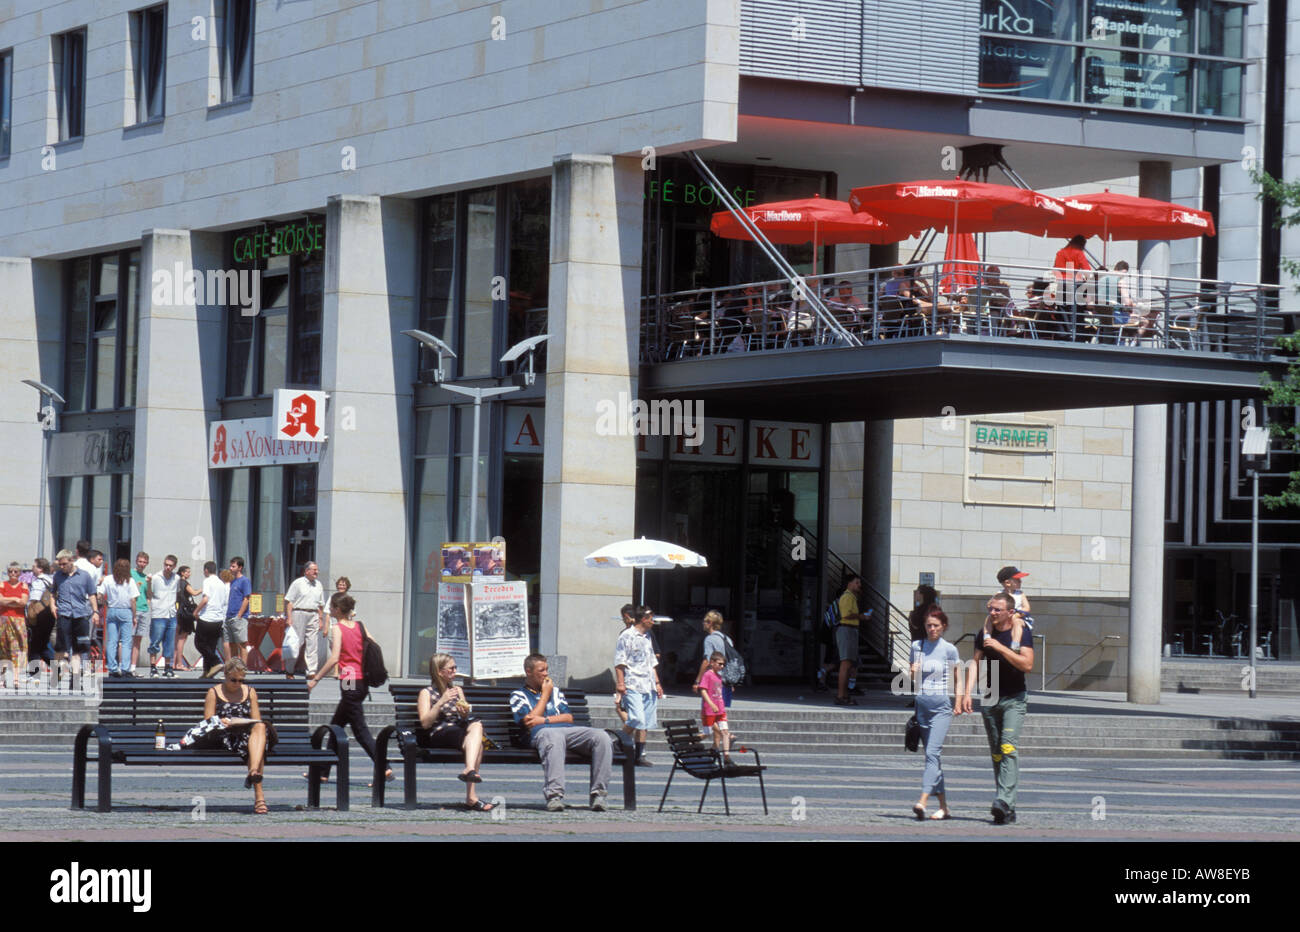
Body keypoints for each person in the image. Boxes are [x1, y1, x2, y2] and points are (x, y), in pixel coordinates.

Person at [962, 592, 1035, 825]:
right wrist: (966, 693)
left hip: (1014, 699)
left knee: (1008, 748)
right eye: (991, 609)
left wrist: (1000, 648)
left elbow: (1028, 665)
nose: (992, 613)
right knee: (996, 752)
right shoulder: (984, 633)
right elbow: (975, 663)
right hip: (990, 698)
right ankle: (1006, 806)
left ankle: (1003, 800)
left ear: (1010, 612)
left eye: (997, 610)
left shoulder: (1022, 632)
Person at [509, 653, 613, 812]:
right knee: (553, 736)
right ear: (528, 672)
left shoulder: (556, 693)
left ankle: (599, 795)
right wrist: (545, 695)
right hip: (540, 734)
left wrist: (544, 720)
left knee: (602, 736)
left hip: (564, 730)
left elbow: (568, 717)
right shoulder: (518, 695)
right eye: (541, 670)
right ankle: (554, 796)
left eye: (547, 669)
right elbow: (529, 722)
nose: (546, 674)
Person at [308, 593, 392, 783]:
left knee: (361, 731)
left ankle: (384, 767)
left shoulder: (338, 629)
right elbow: (374, 645)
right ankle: (323, 772)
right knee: (336, 726)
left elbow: (335, 657)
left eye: (331, 607)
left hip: (349, 679)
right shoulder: (360, 626)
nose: (330, 610)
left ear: (338, 609)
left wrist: (315, 679)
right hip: (362, 680)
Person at [190, 659, 271, 814]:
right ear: (225, 675)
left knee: (260, 728)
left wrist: (244, 723)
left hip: (247, 734)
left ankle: (253, 771)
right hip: (224, 735)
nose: (237, 684)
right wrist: (221, 721)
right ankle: (259, 796)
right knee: (255, 747)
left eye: (241, 680)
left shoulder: (250, 692)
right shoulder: (214, 692)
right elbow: (207, 722)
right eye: (233, 680)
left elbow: (257, 719)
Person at [416, 653, 494, 811]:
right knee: (477, 744)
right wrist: (441, 702)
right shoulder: (426, 692)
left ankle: (469, 770)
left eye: (455, 667)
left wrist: (464, 712)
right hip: (440, 732)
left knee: (477, 725)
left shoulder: (457, 690)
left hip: (458, 729)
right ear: (439, 671)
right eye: (451, 668)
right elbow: (425, 723)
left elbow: (464, 715)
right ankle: (471, 797)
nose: (455, 671)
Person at [910, 607, 961, 821]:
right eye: (929, 625)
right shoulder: (917, 646)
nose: (932, 629)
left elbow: (958, 678)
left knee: (932, 754)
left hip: (941, 708)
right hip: (922, 706)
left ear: (944, 627)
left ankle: (922, 800)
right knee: (933, 759)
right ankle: (944, 807)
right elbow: (914, 679)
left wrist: (958, 702)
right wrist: (913, 671)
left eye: (936, 626)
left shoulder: (949, 650)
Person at [614, 605, 663, 766]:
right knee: (637, 718)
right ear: (644, 619)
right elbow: (619, 661)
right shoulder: (626, 636)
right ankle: (617, 743)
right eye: (651, 619)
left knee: (646, 722)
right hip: (633, 683)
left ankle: (639, 755)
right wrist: (620, 683)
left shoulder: (647, 637)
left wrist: (657, 683)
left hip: (648, 684)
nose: (653, 622)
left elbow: (652, 662)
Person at [51, 549, 98, 680]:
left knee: (78, 647)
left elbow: (92, 594)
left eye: (64, 564)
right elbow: (53, 593)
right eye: (60, 564)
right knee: (61, 646)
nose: (61, 567)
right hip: (64, 613)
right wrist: (52, 605)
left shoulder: (84, 576)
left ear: (71, 561)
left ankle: (75, 676)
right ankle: (57, 673)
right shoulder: (58, 576)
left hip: (80, 614)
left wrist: (95, 611)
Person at [97, 559, 139, 678]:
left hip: (112, 609)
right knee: (126, 642)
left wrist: (106, 603)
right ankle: (125, 668)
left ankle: (113, 668)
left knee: (112, 641)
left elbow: (99, 595)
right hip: (126, 611)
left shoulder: (108, 579)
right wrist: (134, 616)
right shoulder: (130, 581)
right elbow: (133, 600)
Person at [285, 561, 327, 678]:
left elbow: (320, 604)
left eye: (317, 570)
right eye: (314, 570)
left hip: (313, 614)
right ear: (306, 571)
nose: (316, 572)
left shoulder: (318, 584)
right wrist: (289, 618)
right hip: (298, 613)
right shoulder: (297, 583)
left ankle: (311, 671)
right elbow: (289, 601)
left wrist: (320, 619)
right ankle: (289, 670)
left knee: (312, 644)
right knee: (296, 643)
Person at [1052, 234, 1094, 341]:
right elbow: (1087, 271)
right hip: (1075, 285)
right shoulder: (1079, 253)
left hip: (1062, 284)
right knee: (1077, 310)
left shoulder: (1060, 253)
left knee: (1063, 310)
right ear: (1082, 244)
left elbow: (1056, 270)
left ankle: (1063, 334)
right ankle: (1076, 334)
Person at [145, 555, 180, 677]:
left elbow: (177, 594)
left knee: (169, 642)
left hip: (171, 614)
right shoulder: (156, 577)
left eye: (170, 565)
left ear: (174, 566)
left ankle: (168, 667)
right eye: (166, 564)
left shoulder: (176, 578)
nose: (167, 567)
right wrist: (149, 584)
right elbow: (149, 594)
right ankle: (153, 667)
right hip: (158, 613)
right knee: (155, 641)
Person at [695, 610, 738, 707]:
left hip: (714, 681)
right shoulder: (727, 639)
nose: (703, 623)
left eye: (705, 621)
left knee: (710, 712)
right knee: (722, 714)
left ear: (710, 623)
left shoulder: (710, 639)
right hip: (726, 681)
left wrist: (697, 681)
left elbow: (706, 661)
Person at [192, 561, 228, 677]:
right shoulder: (222, 584)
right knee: (210, 646)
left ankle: (216, 662)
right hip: (218, 619)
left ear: (206, 570)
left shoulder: (207, 581)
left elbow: (205, 599)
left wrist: (196, 611)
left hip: (207, 617)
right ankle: (207, 671)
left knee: (199, 643)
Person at [697, 651, 733, 763]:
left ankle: (726, 756)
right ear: (712, 662)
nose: (722, 666)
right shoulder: (708, 674)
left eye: (723, 664)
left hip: (720, 709)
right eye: (720, 663)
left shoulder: (719, 676)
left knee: (725, 732)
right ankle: (689, 743)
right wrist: (711, 704)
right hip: (709, 709)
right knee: (707, 733)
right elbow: (703, 690)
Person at [834, 574, 865, 706]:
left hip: (850, 630)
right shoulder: (847, 597)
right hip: (847, 629)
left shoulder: (851, 597)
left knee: (849, 664)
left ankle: (844, 695)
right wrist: (861, 616)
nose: (859, 585)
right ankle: (841, 695)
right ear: (849, 584)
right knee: (845, 664)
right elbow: (846, 614)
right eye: (856, 583)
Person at [0, 562, 29, 687]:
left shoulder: (24, 585)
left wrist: (8, 601)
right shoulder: (3, 584)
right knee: (3, 647)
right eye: (10, 571)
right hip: (4, 619)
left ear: (19, 573)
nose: (12, 574)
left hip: (18, 620)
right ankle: (2, 677)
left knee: (18, 647)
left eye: (15, 571)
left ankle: (16, 678)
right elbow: (0, 600)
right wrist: (14, 600)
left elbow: (23, 602)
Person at [25, 558, 55, 676]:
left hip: (39, 616)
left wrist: (30, 617)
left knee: (34, 645)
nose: (33, 568)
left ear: (40, 568)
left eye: (34, 566)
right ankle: (56, 667)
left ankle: (34, 672)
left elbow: (34, 600)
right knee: (42, 645)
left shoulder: (39, 581)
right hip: (50, 615)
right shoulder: (51, 580)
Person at [174, 565, 201, 671]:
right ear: (182, 573)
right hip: (184, 613)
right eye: (187, 572)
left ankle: (174, 663)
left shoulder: (176, 583)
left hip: (178, 611)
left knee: (176, 639)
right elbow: (194, 592)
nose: (189, 574)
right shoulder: (184, 583)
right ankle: (179, 664)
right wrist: (205, 588)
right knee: (182, 639)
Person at [225, 557, 251, 663]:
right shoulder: (232, 581)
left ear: (240, 567)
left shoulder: (244, 581)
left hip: (238, 618)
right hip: (229, 616)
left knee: (242, 644)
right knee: (232, 644)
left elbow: (247, 598)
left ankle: (243, 669)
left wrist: (239, 615)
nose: (230, 568)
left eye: (233, 566)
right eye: (230, 566)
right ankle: (235, 668)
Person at [128, 552, 150, 676]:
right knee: (126, 640)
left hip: (143, 609)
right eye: (140, 561)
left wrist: (147, 601)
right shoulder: (130, 574)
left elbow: (148, 594)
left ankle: (132, 667)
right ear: (136, 561)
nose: (142, 564)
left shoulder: (146, 577)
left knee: (138, 640)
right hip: (131, 610)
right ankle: (123, 666)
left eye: (144, 562)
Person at [996, 565, 1033, 635]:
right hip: (1003, 617)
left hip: (1019, 617)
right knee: (989, 619)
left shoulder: (1020, 594)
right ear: (1007, 583)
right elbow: (990, 605)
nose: (1020, 581)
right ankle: (987, 636)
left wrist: (1016, 615)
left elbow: (1027, 608)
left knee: (1016, 622)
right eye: (1017, 579)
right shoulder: (999, 594)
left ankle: (1015, 642)